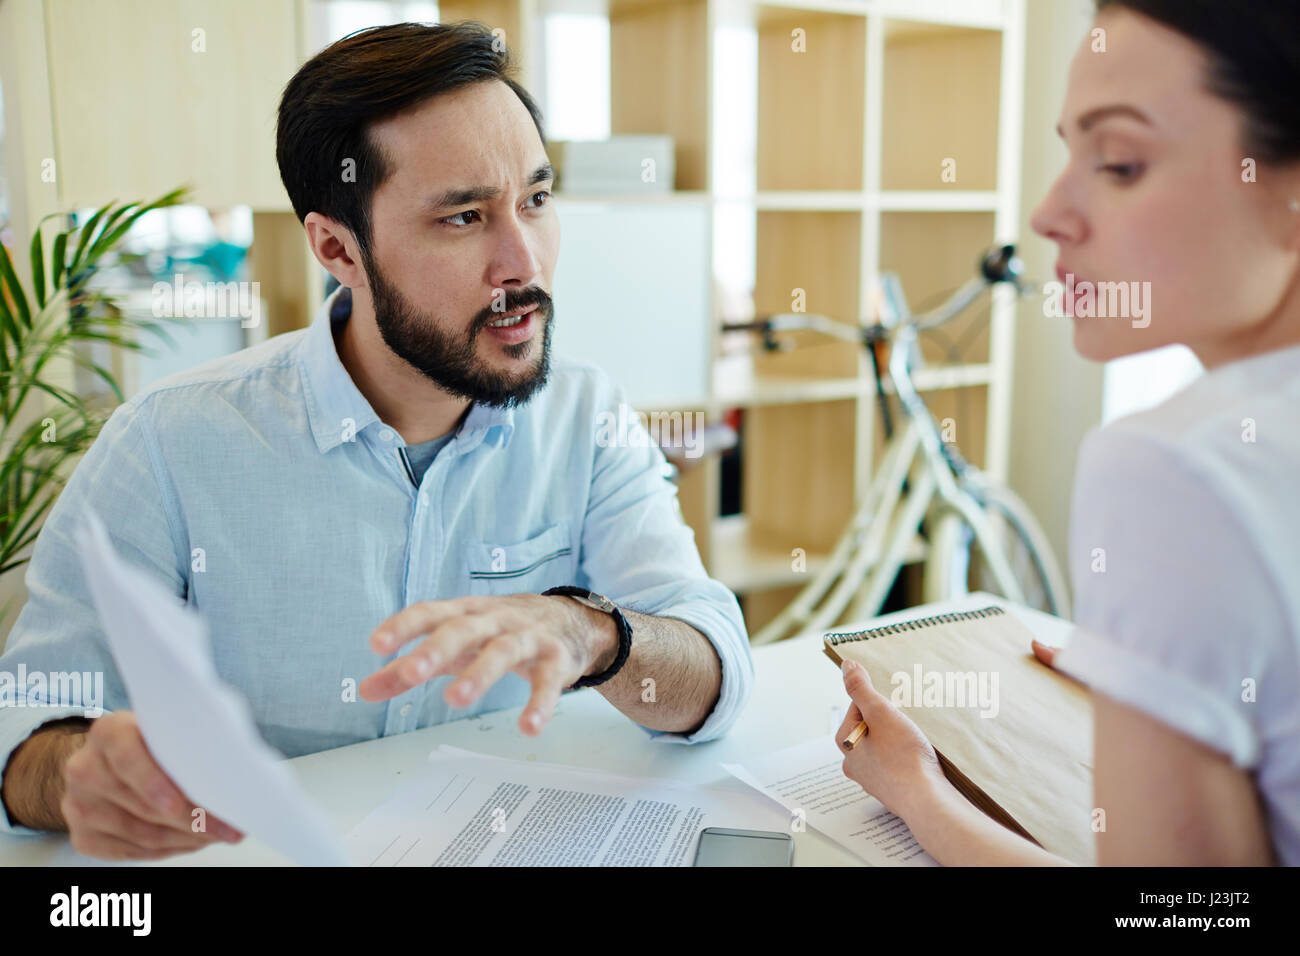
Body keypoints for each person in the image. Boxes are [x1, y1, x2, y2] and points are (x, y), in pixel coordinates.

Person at [0, 21, 753, 861]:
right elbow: (24, 726)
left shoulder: (585, 415)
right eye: (464, 217)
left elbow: (712, 673)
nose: (524, 263)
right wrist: (77, 777)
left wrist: (595, 635)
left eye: (536, 201)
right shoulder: (169, 441)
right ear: (336, 248)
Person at [836, 0, 1300, 865]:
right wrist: (1165, 667)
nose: (1048, 213)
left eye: (1120, 163)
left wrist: (919, 792)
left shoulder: (1173, 469)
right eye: (1068, 154)